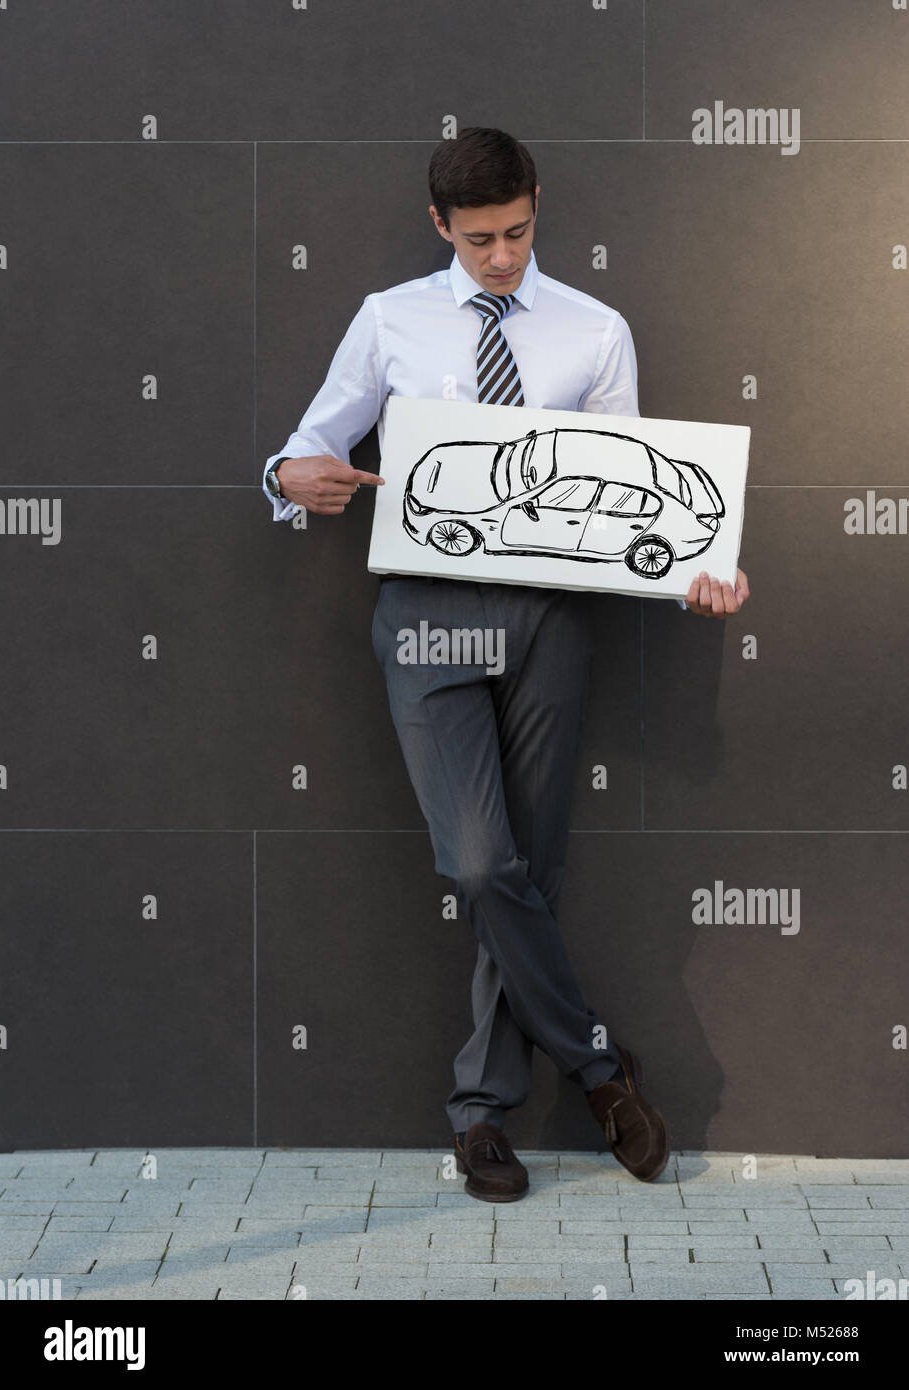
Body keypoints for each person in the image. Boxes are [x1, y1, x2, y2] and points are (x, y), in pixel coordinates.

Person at [262, 127, 750, 1202]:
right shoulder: (390, 319)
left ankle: (481, 1113)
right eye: (480, 239)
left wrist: (695, 577)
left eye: (519, 232)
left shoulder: (595, 329)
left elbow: (635, 495)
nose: (502, 258)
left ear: (538, 204)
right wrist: (291, 477)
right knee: (481, 863)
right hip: (426, 616)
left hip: (550, 618)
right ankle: (596, 1065)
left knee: (528, 864)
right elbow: (309, 446)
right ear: (441, 224)